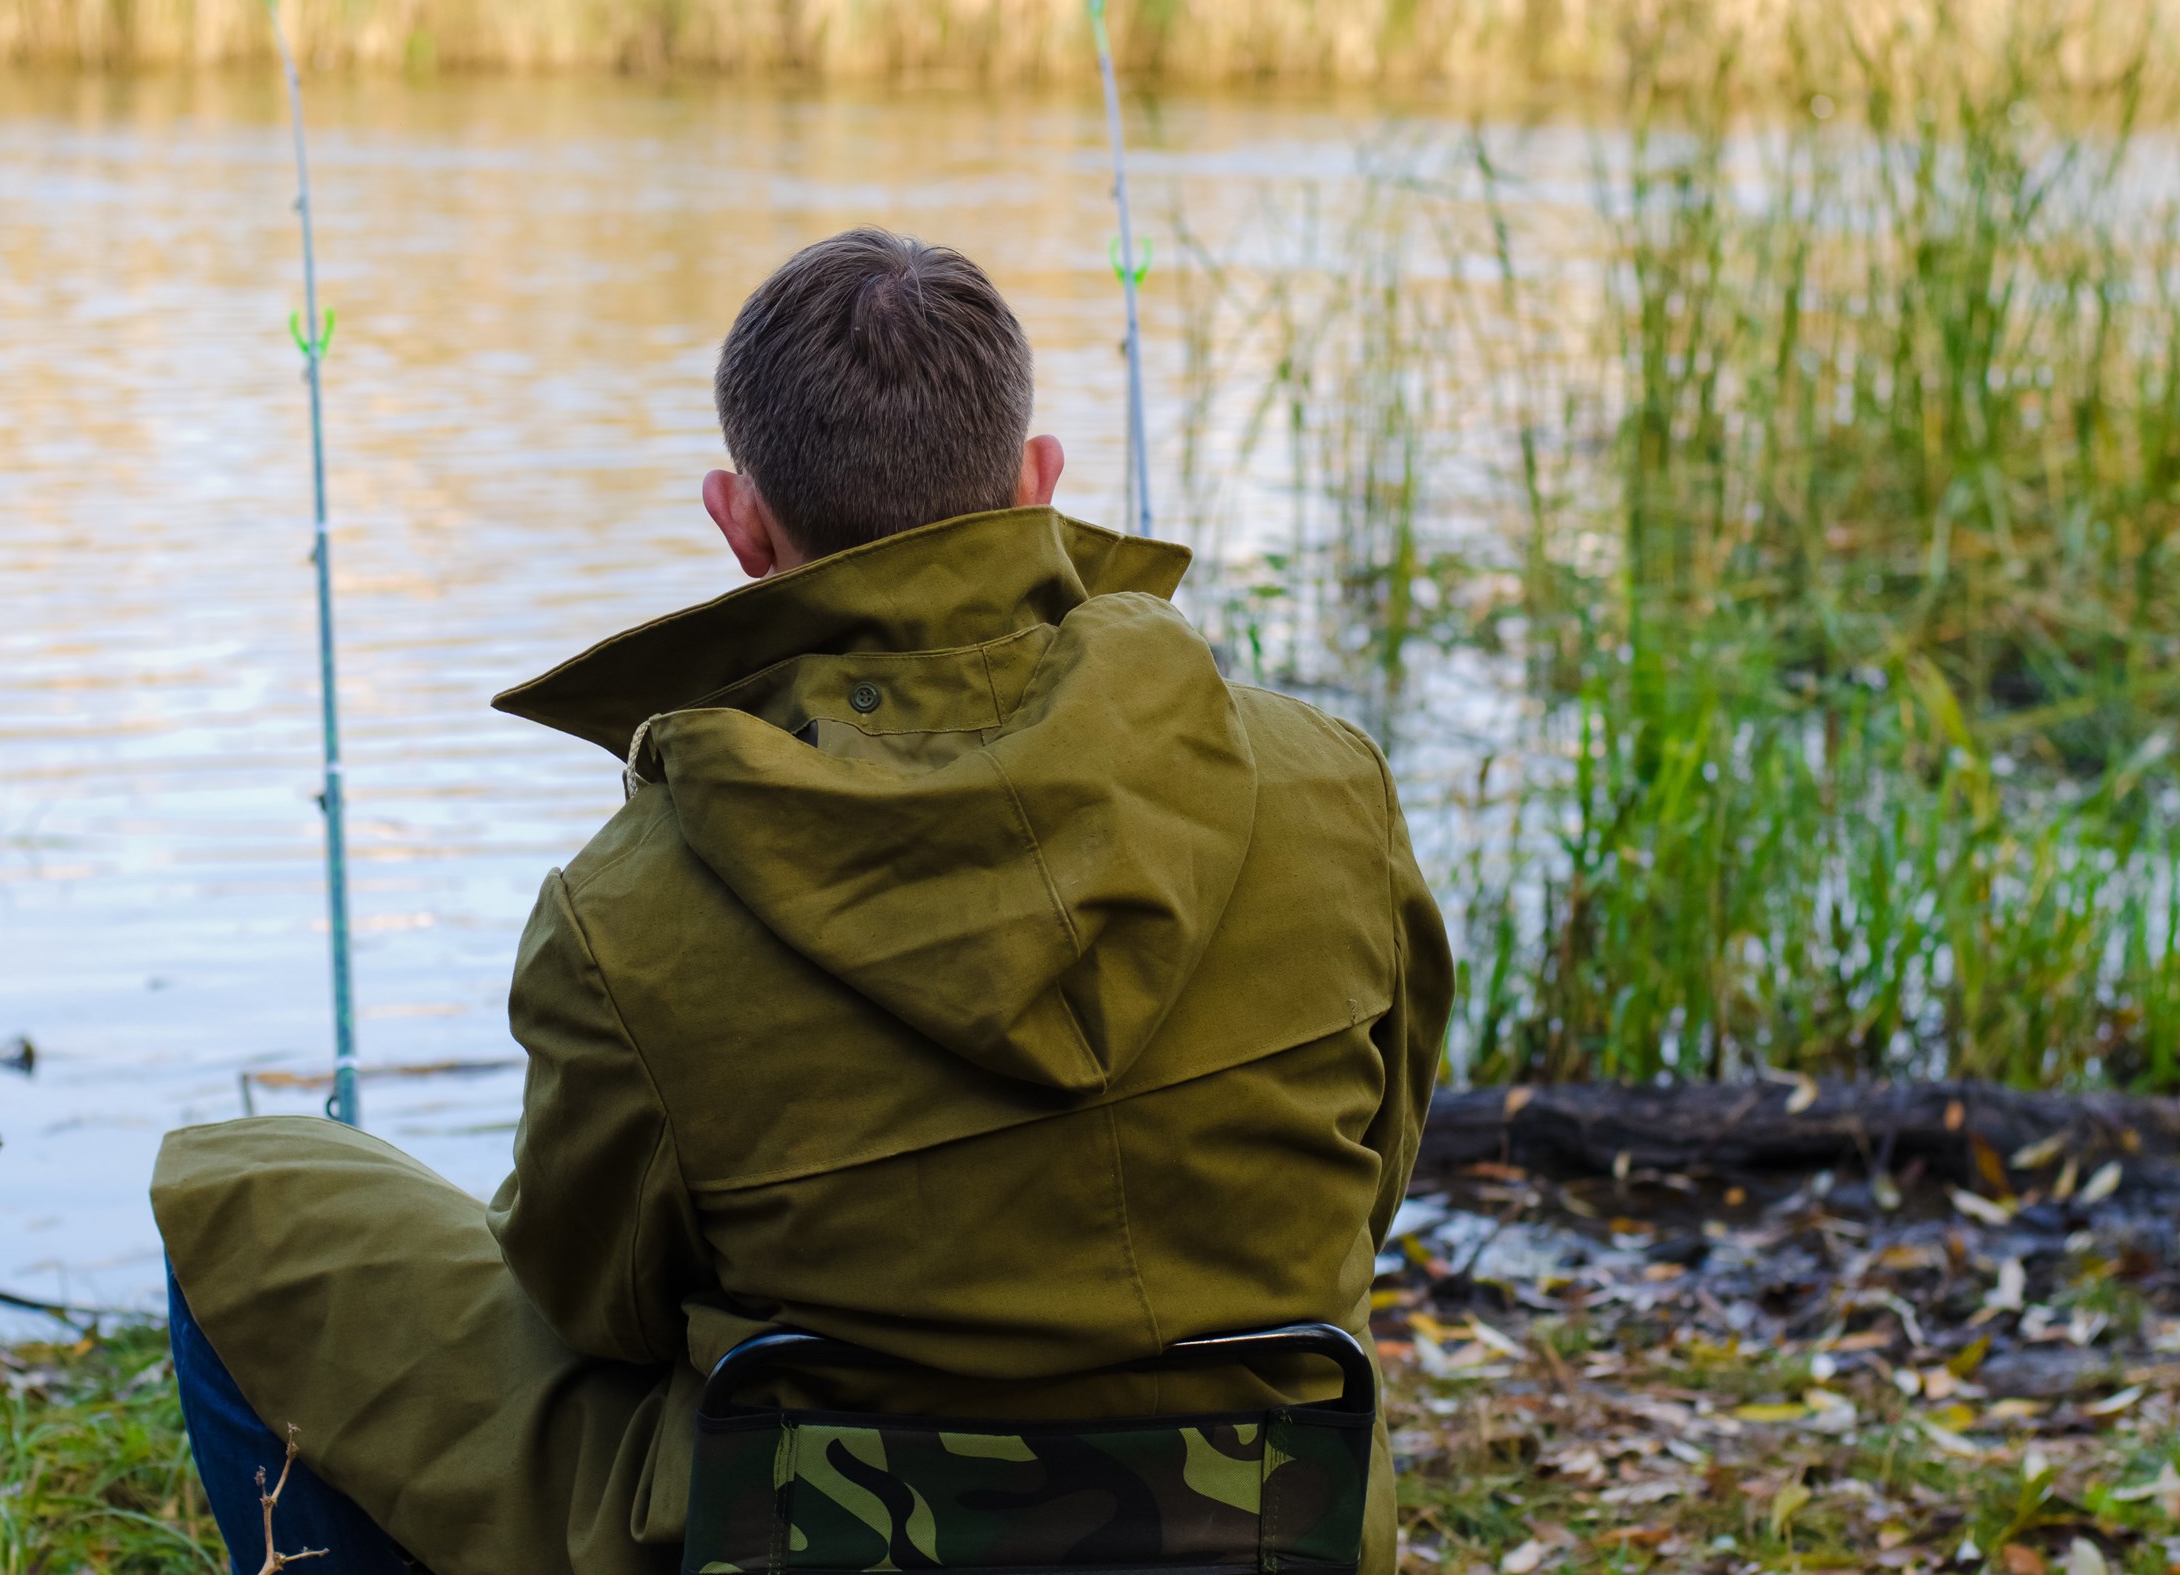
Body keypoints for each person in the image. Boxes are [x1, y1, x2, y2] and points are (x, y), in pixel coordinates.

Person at [153, 227, 1454, 1575]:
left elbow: (600, 1310)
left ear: (742, 522)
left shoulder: (628, 906)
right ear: (1037, 480)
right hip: (1256, 1522)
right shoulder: (1329, 787)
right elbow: (1372, 1180)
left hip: (806, 1532)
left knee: (240, 1188)